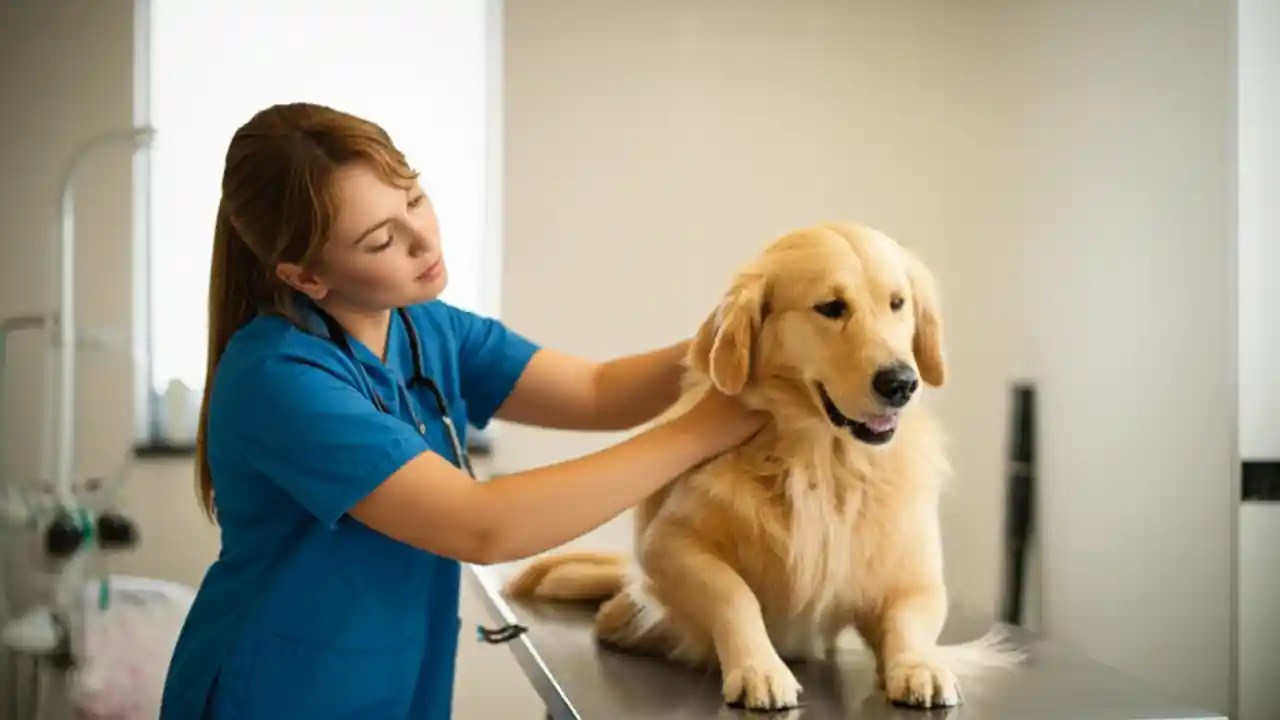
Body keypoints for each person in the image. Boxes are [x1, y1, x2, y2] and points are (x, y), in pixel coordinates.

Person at [157, 102, 764, 719]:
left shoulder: (424, 328)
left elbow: (598, 389)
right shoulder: (279, 381)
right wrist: (700, 431)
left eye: (414, 198)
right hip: (280, 694)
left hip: (399, 680)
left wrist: (740, 344)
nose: (423, 240)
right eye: (383, 239)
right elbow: (483, 526)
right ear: (307, 276)